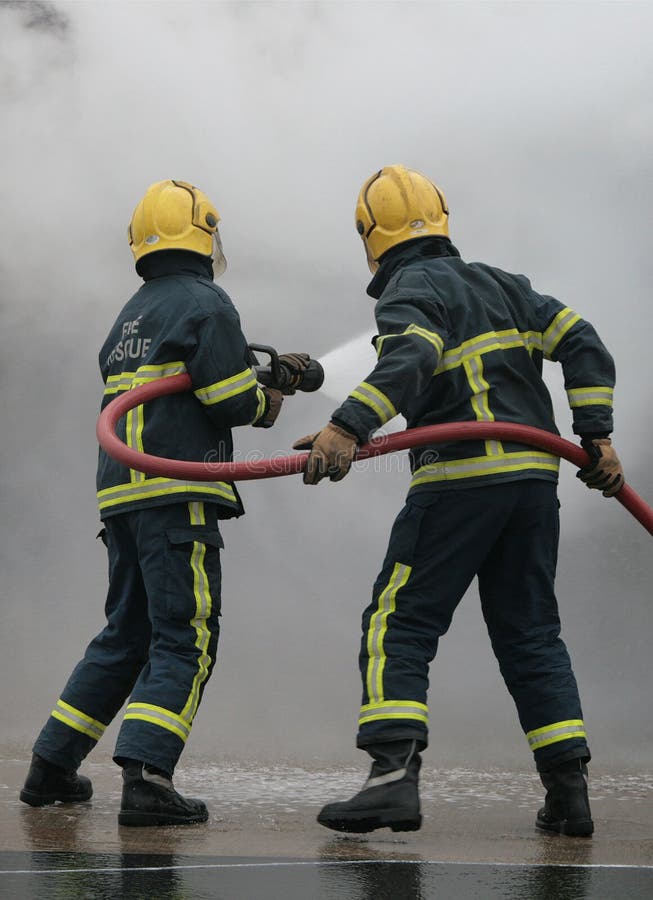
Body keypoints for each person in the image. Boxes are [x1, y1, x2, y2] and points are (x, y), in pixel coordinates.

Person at [294, 165, 624, 838]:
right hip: (533, 484)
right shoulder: (507, 286)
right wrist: (595, 436)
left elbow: (411, 356)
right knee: (530, 633)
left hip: (460, 480)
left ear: (369, 236)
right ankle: (567, 797)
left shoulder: (408, 289)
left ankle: (391, 780)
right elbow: (583, 341)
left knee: (398, 620)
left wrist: (347, 425)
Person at [20, 179, 301, 826]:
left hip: (122, 498)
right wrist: (269, 400)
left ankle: (52, 767)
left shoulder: (130, 315)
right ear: (204, 234)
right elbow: (231, 400)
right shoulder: (207, 304)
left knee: (127, 634)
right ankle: (148, 776)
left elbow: (173, 386)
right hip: (179, 493)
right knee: (188, 635)